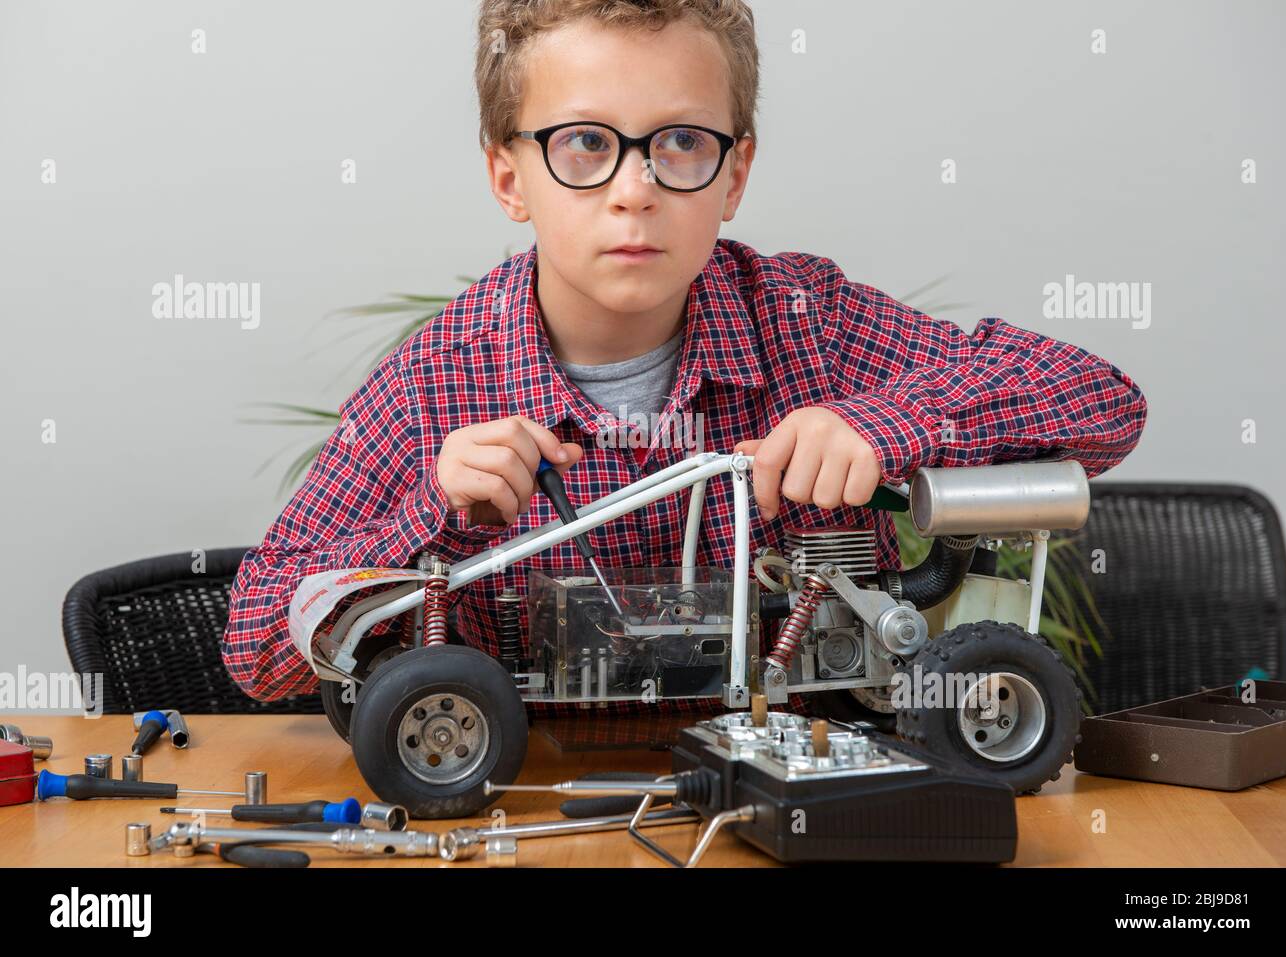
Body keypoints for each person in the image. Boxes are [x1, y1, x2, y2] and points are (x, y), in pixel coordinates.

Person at [222, 0, 1147, 718]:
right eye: (585, 143)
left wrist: (882, 421)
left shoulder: (806, 322)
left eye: (681, 143)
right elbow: (256, 646)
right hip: (549, 807)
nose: (638, 189)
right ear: (510, 175)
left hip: (806, 800)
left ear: (735, 173)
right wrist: (432, 517)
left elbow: (1104, 402)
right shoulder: (436, 381)